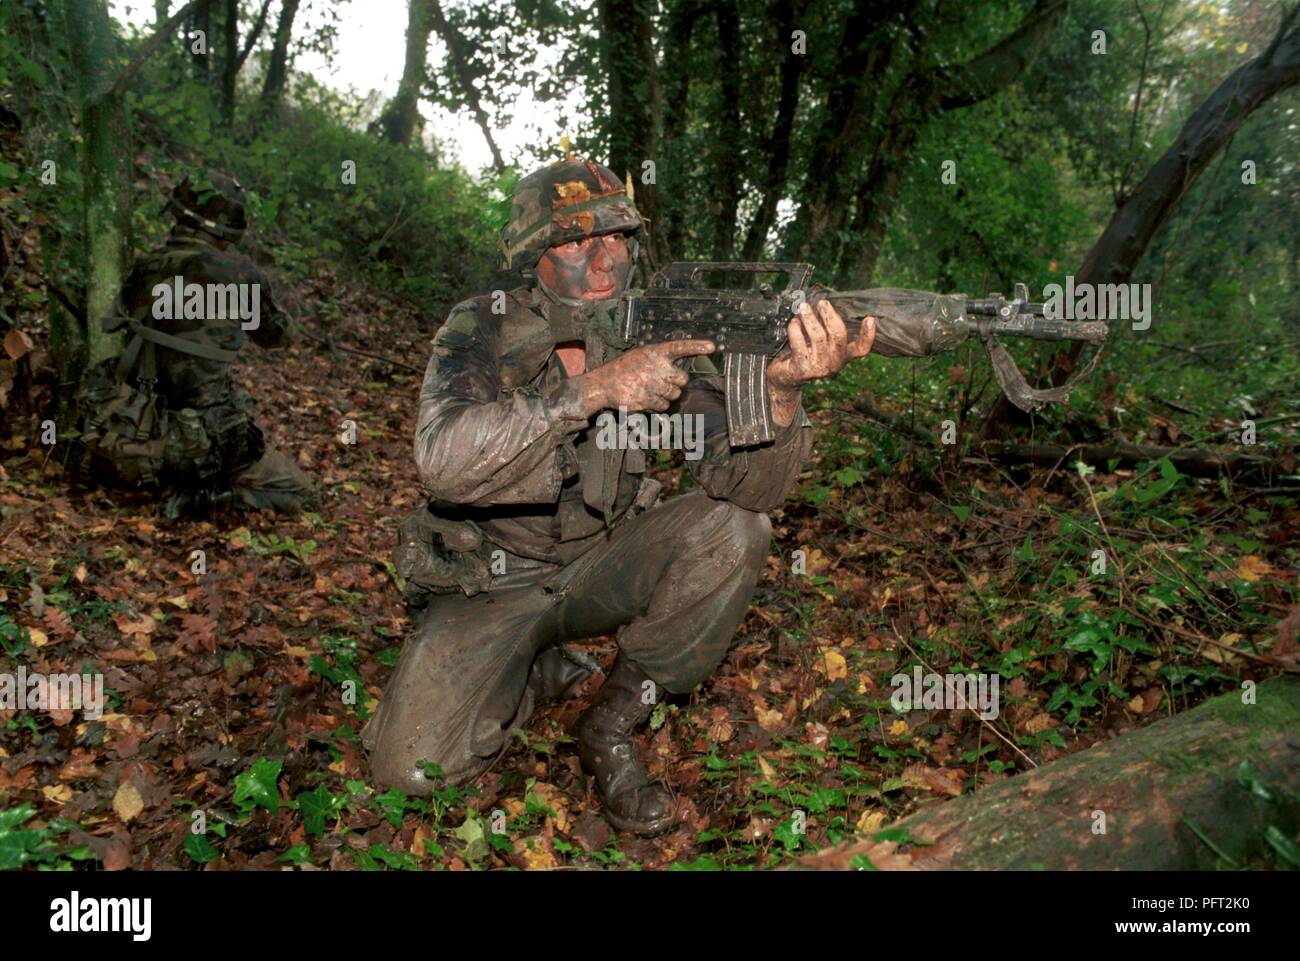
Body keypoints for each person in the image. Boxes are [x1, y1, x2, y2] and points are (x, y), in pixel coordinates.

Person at [363, 156, 876, 837]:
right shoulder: (480, 325)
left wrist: (781, 394)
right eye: (577, 240)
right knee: (412, 772)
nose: (604, 258)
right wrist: (595, 389)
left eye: (618, 237)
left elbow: (752, 486)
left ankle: (607, 726)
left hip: (602, 567)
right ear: (535, 254)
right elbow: (444, 463)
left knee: (736, 529)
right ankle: (535, 668)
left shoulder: (661, 336)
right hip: (492, 583)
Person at [62, 170, 316, 517]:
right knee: (304, 493)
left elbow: (115, 323)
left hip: (135, 432)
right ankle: (210, 500)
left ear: (179, 213)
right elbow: (279, 337)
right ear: (229, 229)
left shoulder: (145, 267)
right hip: (210, 443)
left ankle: (172, 486)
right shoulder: (242, 275)